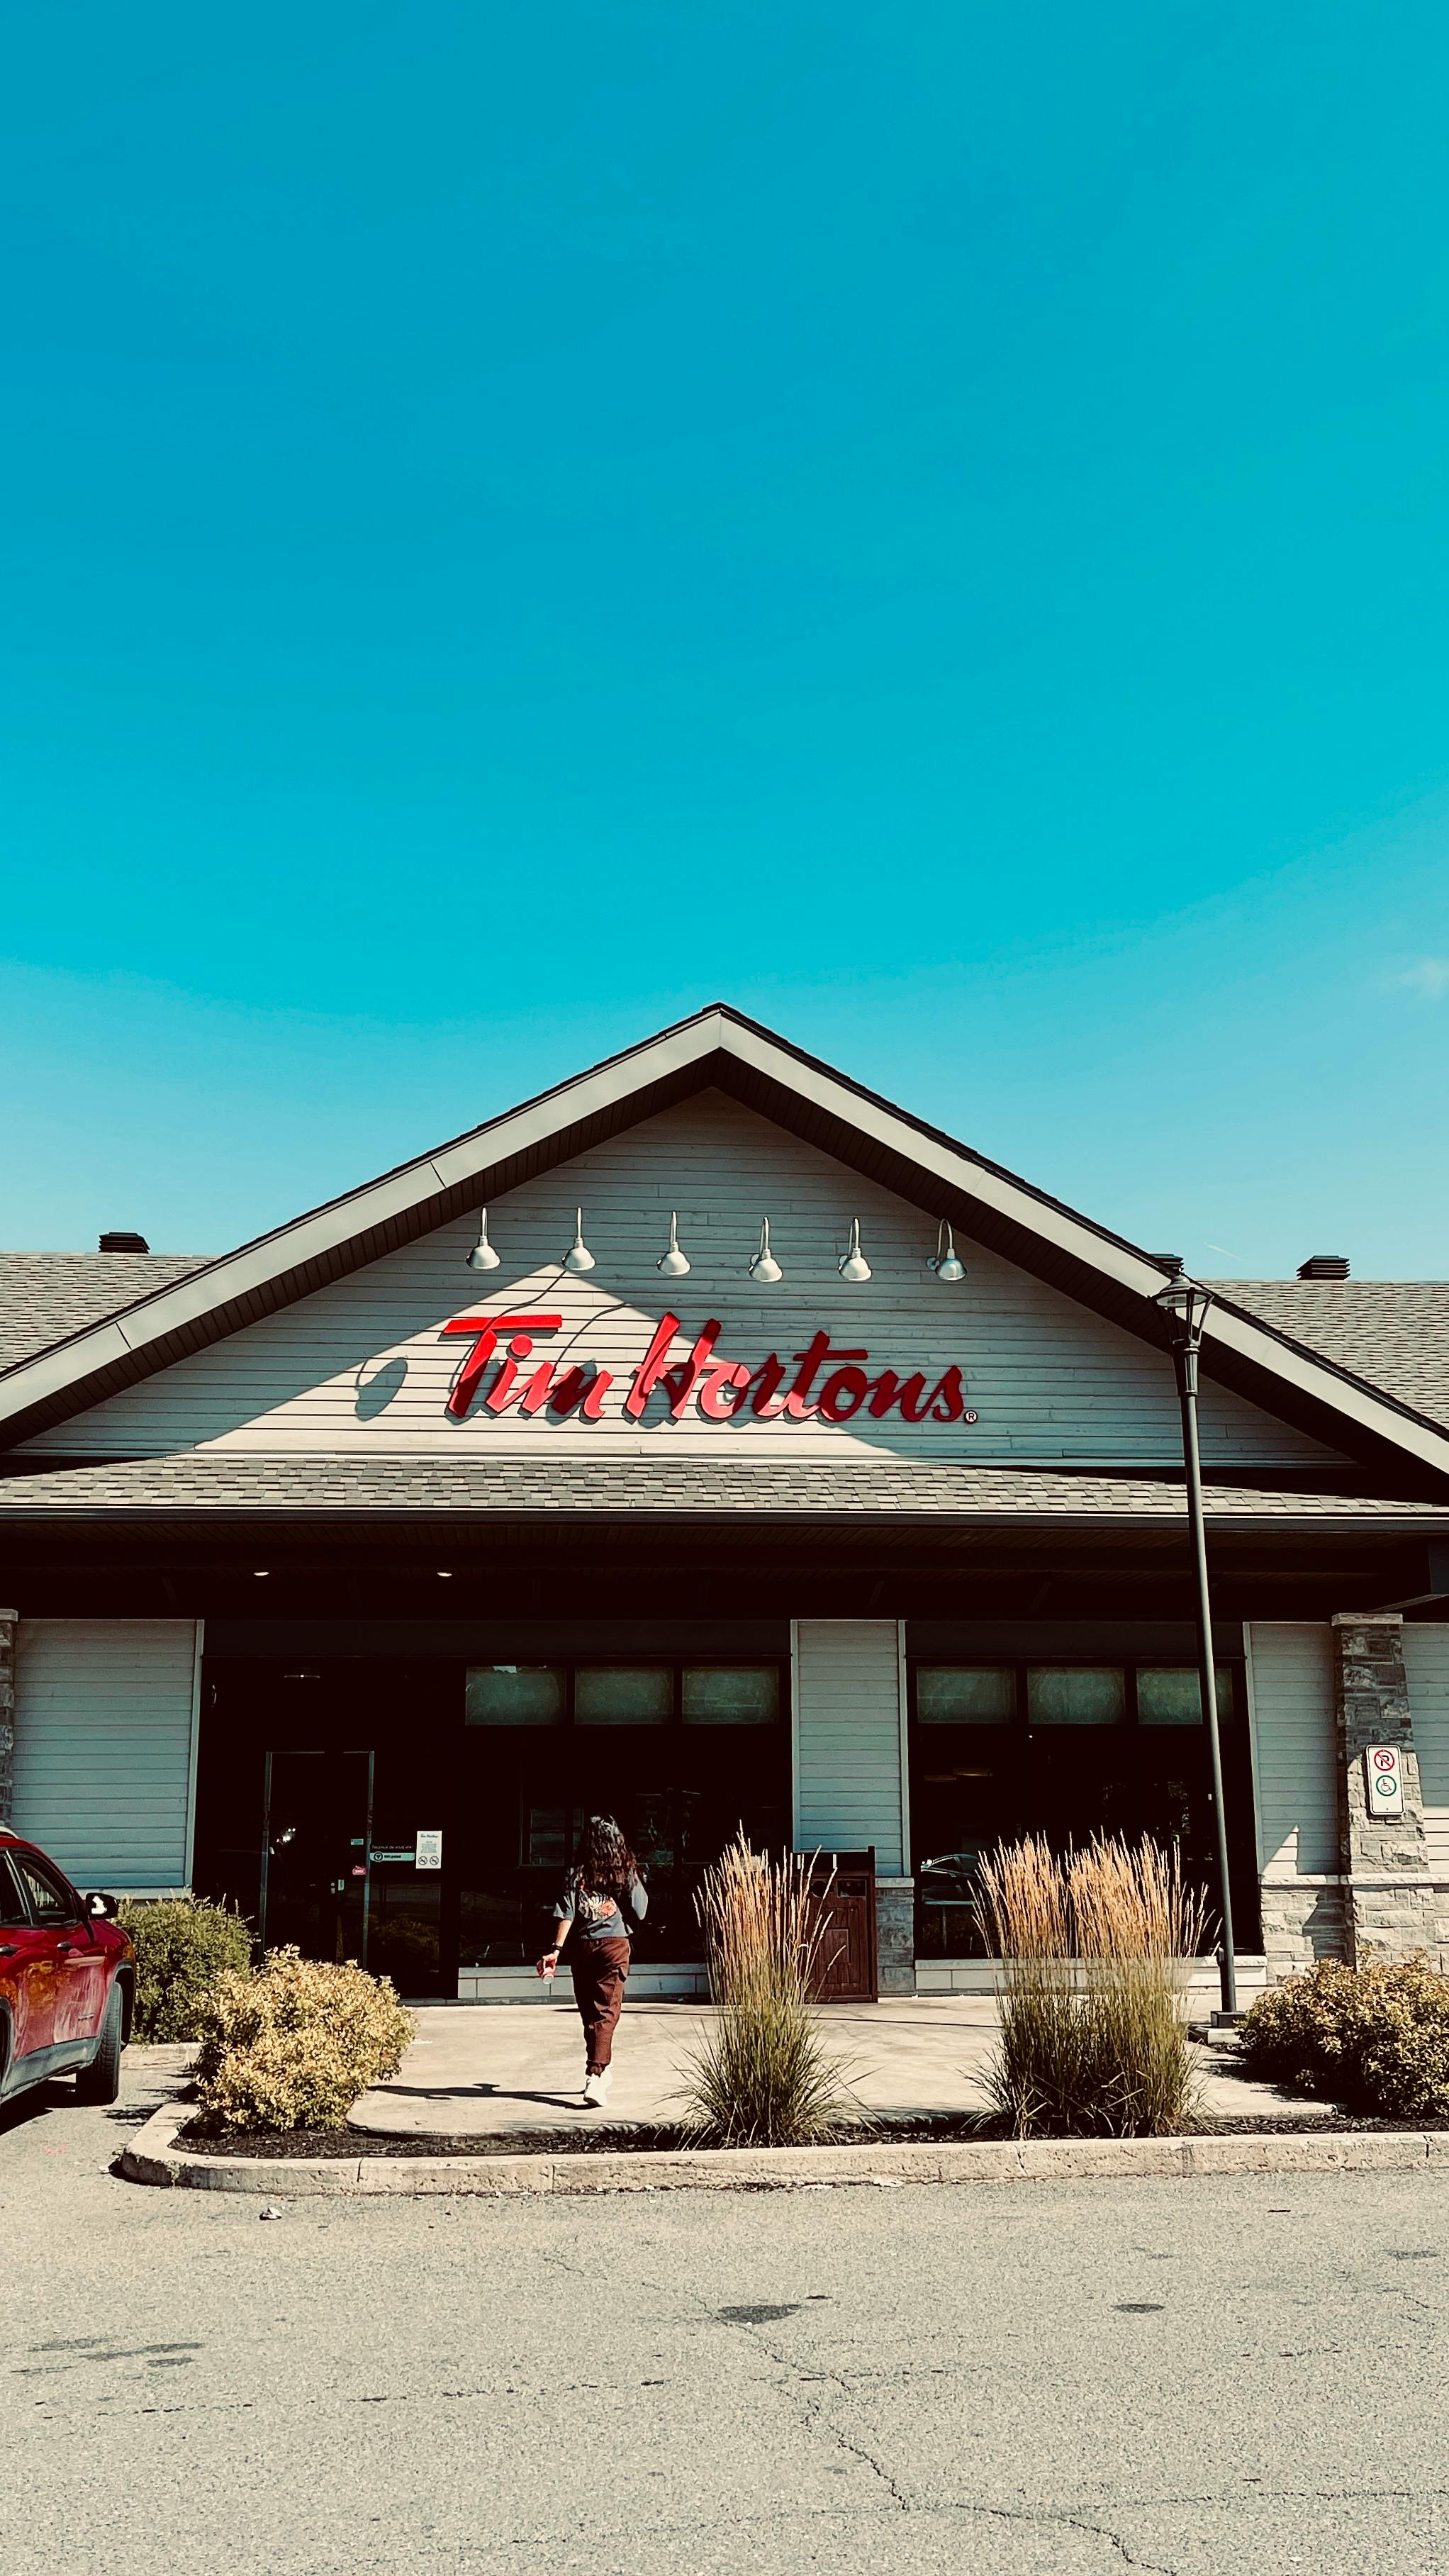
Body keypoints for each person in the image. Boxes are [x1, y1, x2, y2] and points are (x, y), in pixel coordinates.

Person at [539, 1815, 647, 2107]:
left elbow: (566, 1912)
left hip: (582, 1948)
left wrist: (555, 1951)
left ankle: (598, 2069)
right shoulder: (626, 1871)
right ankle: (597, 2077)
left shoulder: (577, 1873)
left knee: (591, 2014)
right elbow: (642, 1908)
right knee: (605, 2012)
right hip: (614, 1945)